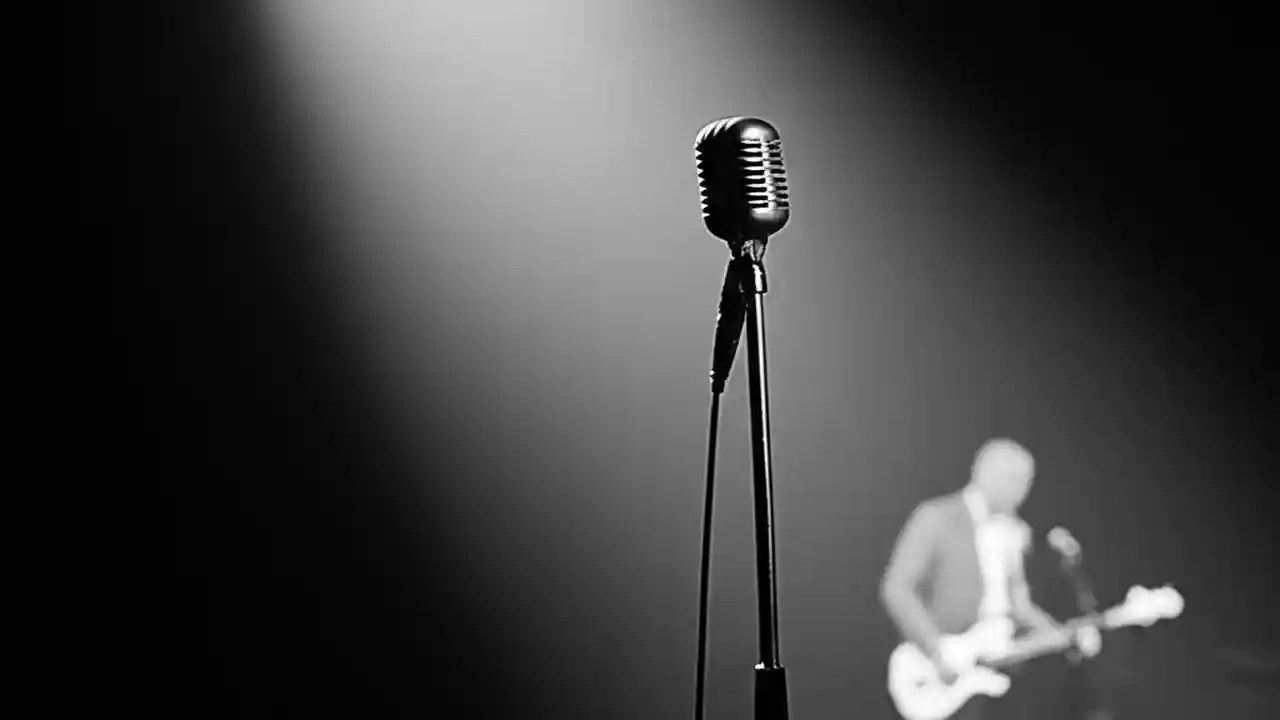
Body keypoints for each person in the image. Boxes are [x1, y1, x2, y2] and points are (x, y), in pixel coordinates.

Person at [880, 438, 1099, 719]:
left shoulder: (1016, 532)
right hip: (944, 666)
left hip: (999, 665)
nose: (1020, 491)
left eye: (1026, 482)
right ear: (981, 472)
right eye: (1012, 479)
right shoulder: (937, 517)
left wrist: (1058, 633)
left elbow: (1019, 606)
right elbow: (897, 589)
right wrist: (937, 650)